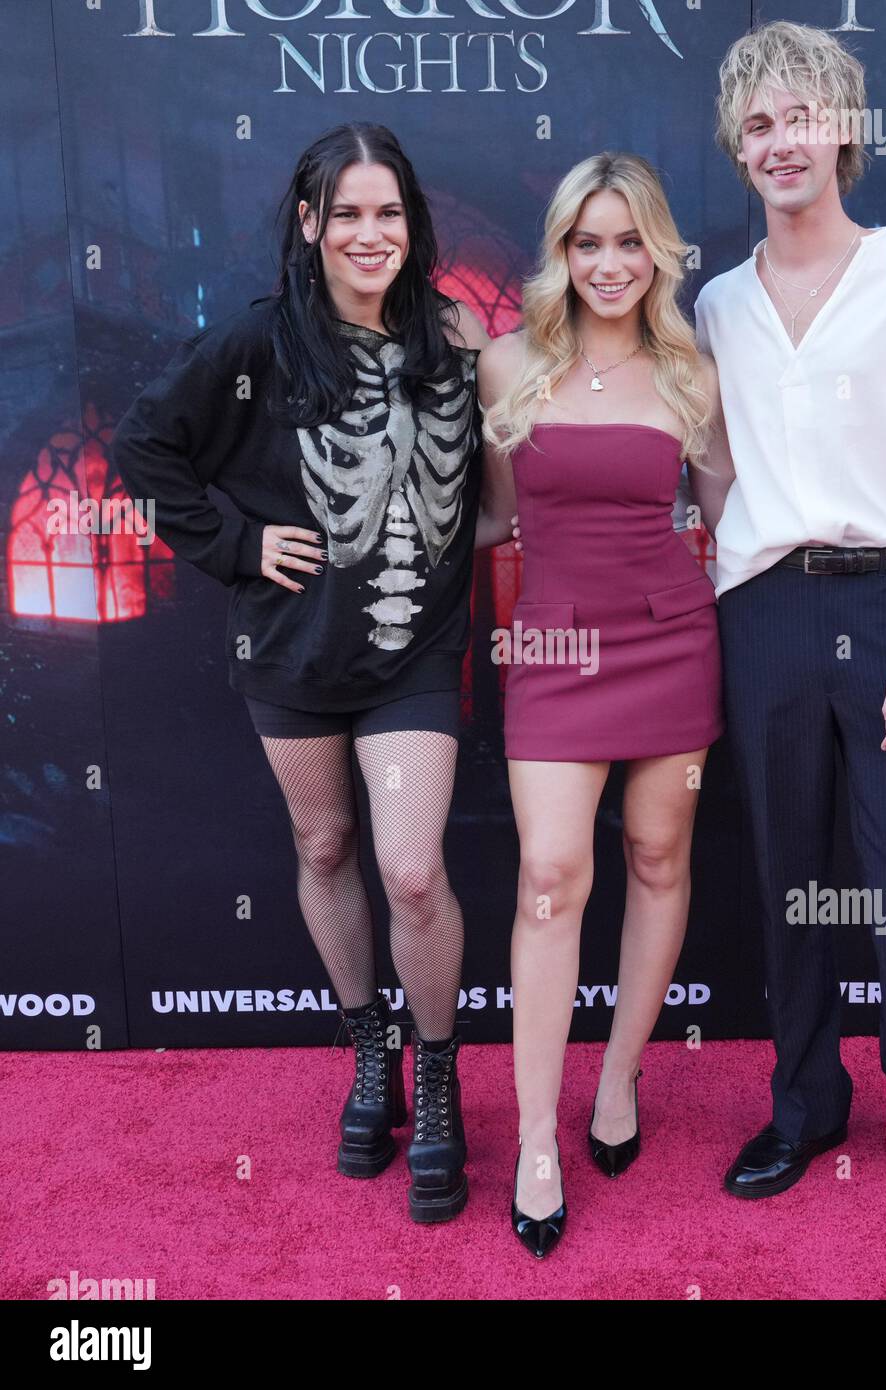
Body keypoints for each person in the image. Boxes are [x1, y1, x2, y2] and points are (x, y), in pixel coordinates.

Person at [109, 123, 490, 1224]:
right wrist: (233, 545)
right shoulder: (257, 344)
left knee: (411, 868)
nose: (370, 234)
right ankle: (366, 1046)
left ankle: (433, 1068)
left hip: (415, 649)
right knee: (323, 844)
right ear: (310, 224)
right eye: (349, 214)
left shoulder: (455, 338)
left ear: (410, 226)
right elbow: (145, 444)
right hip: (290, 649)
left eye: (389, 213)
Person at [678, 21, 886, 1214]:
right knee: (785, 877)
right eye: (758, 124)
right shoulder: (714, 305)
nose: (781, 142)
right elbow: (709, 471)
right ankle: (802, 1104)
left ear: (845, 131)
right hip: (760, 613)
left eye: (802, 117)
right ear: (736, 147)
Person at [476, 152, 734, 1258]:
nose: (610, 262)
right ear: (561, 253)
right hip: (550, 643)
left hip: (671, 640)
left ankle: (618, 1074)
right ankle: (537, 1135)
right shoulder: (504, 366)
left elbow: (735, 523)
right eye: (588, 241)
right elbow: (488, 521)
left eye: (630, 240)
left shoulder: (694, 375)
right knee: (547, 874)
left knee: (658, 857)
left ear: (658, 250)